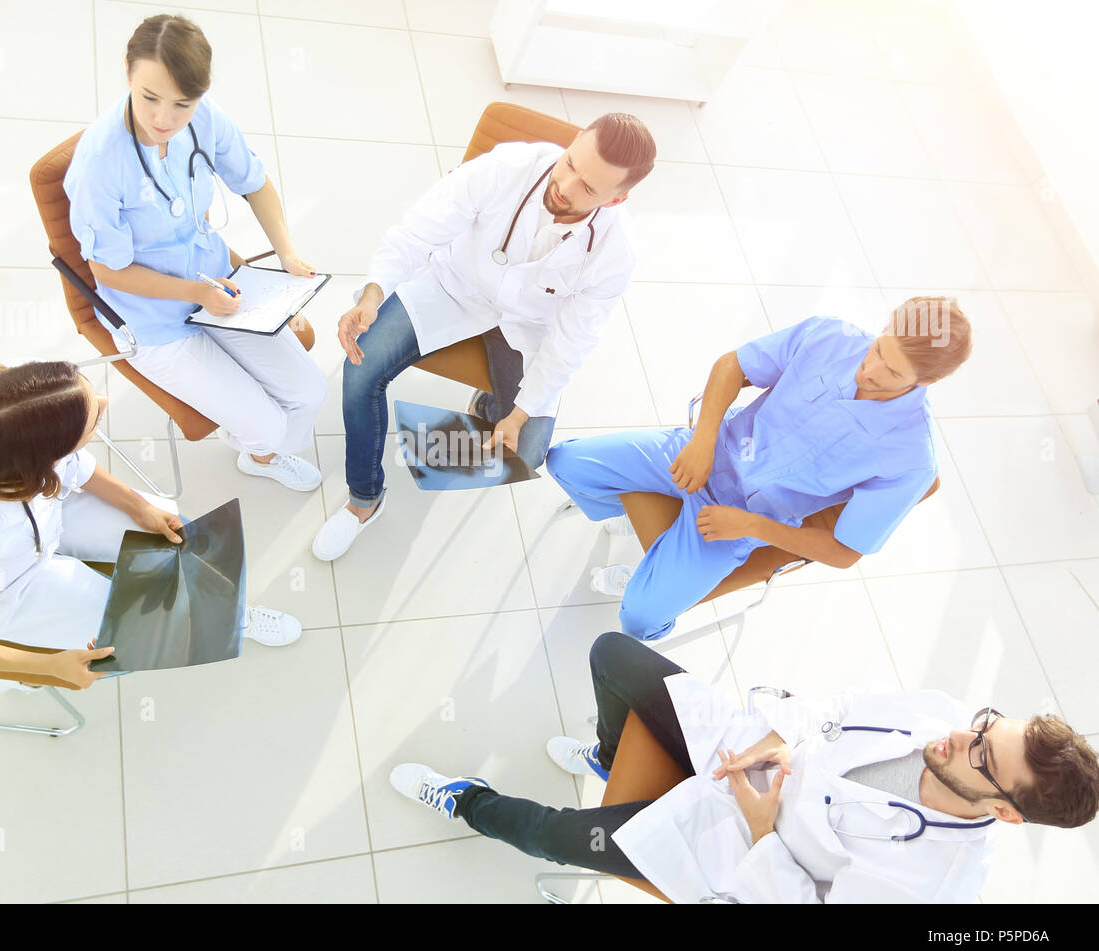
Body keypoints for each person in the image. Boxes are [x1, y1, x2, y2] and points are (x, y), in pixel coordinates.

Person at [391, 632, 1099, 903]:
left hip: (734, 849)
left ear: (1006, 810)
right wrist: (787, 739)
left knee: (554, 834)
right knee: (609, 652)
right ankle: (610, 757)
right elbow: (844, 707)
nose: (952, 736)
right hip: (750, 754)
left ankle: (468, 802)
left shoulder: (935, 884)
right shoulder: (949, 719)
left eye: (981, 754)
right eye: (984, 724)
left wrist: (762, 832)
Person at [312, 113, 656, 561]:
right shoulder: (507, 167)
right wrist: (375, 293)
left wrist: (520, 412)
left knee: (527, 451)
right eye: (570, 162)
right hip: (456, 288)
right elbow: (416, 231)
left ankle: (484, 410)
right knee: (359, 371)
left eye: (588, 188)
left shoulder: (616, 253)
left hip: (528, 326)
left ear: (616, 200)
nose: (565, 185)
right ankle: (365, 499)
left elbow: (571, 342)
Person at [547, 296, 972, 641]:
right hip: (705, 454)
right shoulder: (829, 335)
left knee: (638, 619)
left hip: (740, 521)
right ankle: (642, 531)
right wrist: (703, 439)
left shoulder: (911, 458)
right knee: (566, 462)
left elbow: (845, 553)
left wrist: (751, 527)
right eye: (879, 348)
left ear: (927, 382)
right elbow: (733, 365)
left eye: (892, 371)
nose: (870, 368)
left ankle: (656, 580)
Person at [0, 361, 303, 691]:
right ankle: (21, 681)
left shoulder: (14, 423)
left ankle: (228, 614)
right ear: (40, 458)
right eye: (93, 418)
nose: (105, 401)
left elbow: (72, 467)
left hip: (50, 514)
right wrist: (48, 665)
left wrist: (138, 506)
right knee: (124, 643)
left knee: (184, 537)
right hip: (10, 584)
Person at [64, 13, 326, 493]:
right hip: (151, 320)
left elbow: (256, 183)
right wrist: (195, 293)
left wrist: (286, 252)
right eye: (149, 98)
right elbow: (108, 269)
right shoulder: (101, 164)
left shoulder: (204, 119)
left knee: (311, 391)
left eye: (182, 104)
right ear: (127, 72)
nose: (164, 119)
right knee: (267, 426)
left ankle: (262, 443)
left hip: (217, 279)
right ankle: (262, 454)